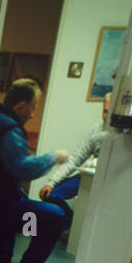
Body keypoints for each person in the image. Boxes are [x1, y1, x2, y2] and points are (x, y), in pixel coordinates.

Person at [0, 78, 69, 263]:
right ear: (21, 106)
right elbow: (24, 169)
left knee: (24, 207)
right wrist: (54, 157)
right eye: (33, 108)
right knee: (55, 216)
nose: (33, 114)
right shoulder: (9, 129)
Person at [38, 92, 112, 224]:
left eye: (110, 112)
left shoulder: (123, 136)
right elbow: (75, 159)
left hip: (109, 182)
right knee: (51, 194)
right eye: (105, 111)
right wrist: (51, 182)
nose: (107, 116)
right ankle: (70, 221)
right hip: (86, 177)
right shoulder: (96, 130)